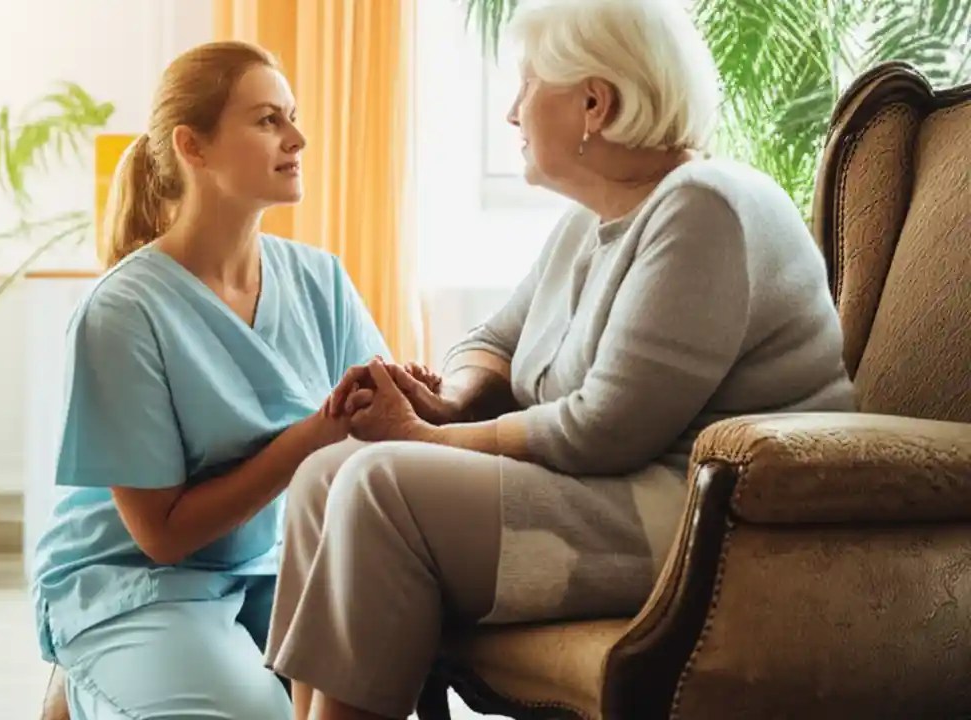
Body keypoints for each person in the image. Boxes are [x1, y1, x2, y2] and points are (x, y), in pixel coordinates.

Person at [264, 0, 857, 718]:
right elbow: (489, 341)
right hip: (618, 494)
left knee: (380, 485)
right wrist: (449, 401)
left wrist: (427, 439)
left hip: (699, 518)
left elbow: (602, 430)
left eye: (524, 86)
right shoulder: (594, 220)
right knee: (325, 473)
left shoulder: (705, 209)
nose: (512, 114)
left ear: (593, 103)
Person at [31, 41, 425, 720]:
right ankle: (86, 674)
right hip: (141, 581)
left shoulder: (320, 281)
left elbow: (379, 437)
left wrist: (409, 399)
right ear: (195, 147)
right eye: (268, 120)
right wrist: (313, 435)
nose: (297, 138)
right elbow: (162, 534)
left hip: (275, 570)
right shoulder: (122, 312)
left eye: (293, 117)